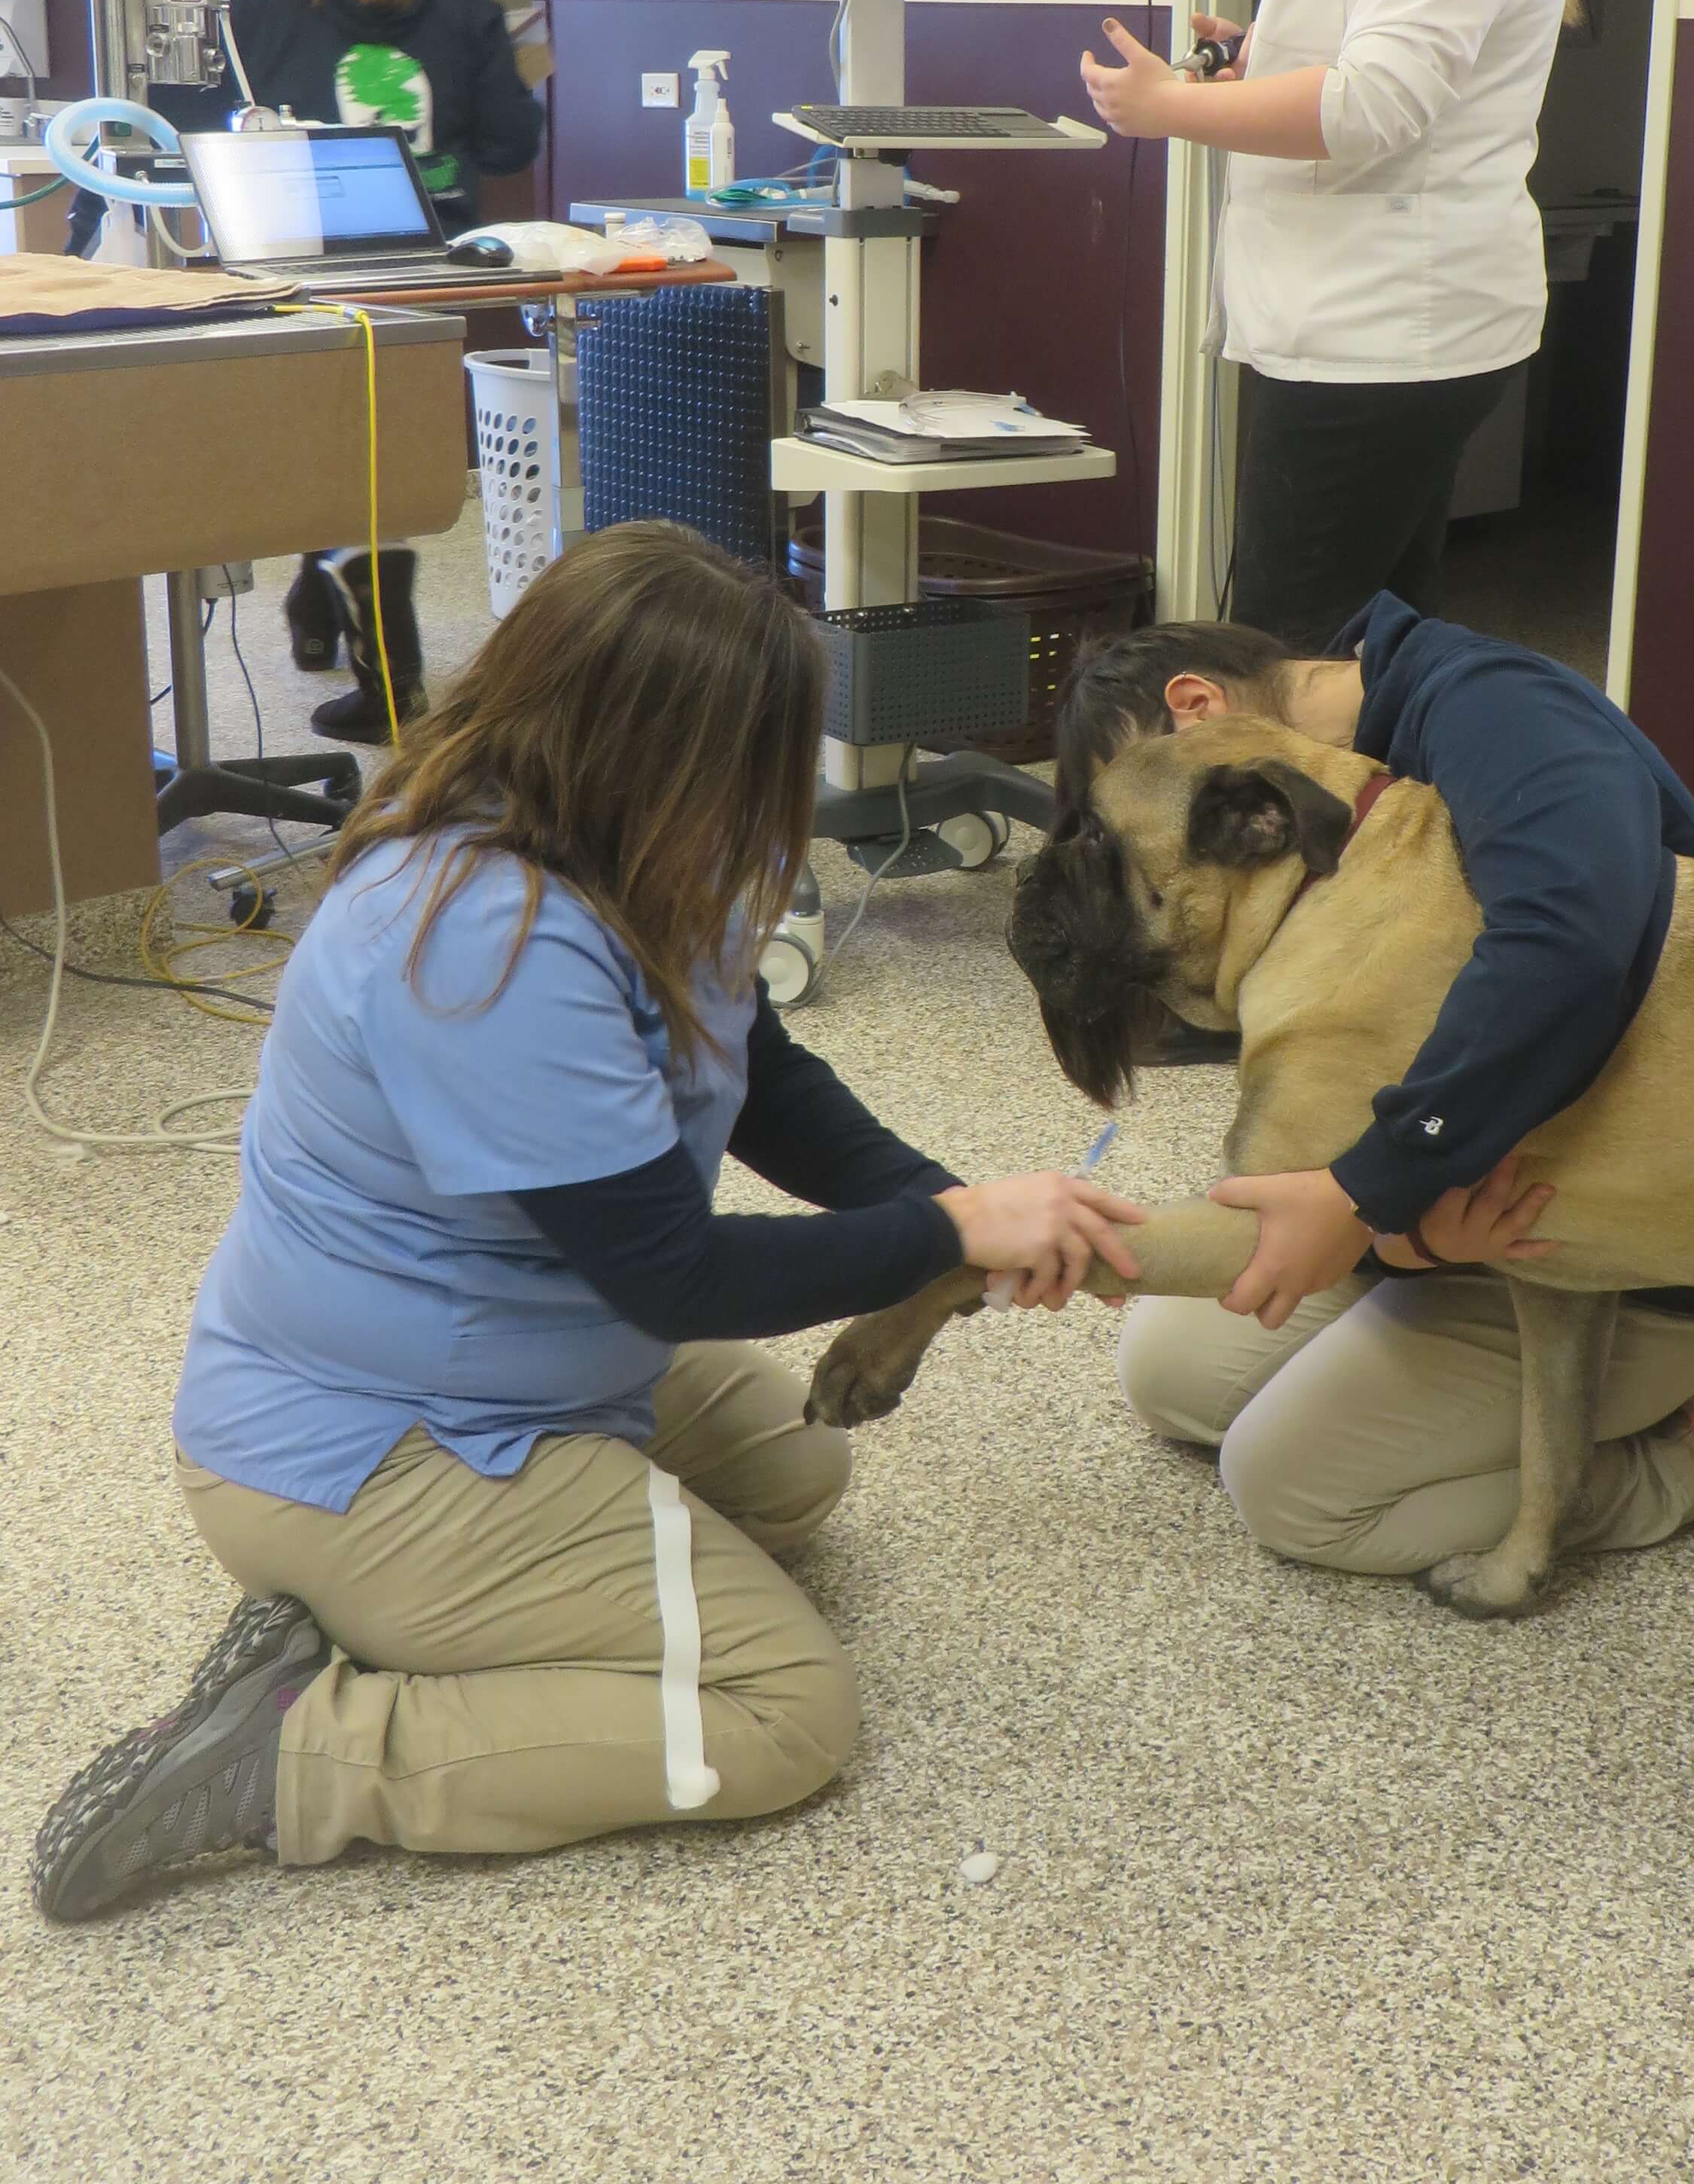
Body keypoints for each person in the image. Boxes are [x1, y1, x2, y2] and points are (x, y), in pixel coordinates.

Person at [29, 523, 1146, 1923]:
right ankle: (297, 1756)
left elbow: (763, 1076)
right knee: (785, 1713)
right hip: (365, 1443)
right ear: (659, 754)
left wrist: (947, 1208)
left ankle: (405, 1615)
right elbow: (673, 1276)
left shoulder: (632, 847)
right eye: (758, 764)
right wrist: (954, 1235)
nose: (775, 805)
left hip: (506, 1365)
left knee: (795, 1469)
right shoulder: (481, 941)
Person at [1047, 596, 1694, 1591]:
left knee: (1293, 1492)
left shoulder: (1495, 710)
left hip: (1638, 1243)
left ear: (1201, 716)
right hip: (1465, 1213)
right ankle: (1474, 1385)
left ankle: (1691, 1457)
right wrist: (1405, 1230)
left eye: (1127, 839)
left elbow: (1570, 941)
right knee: (1169, 1373)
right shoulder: (1338, 792)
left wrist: (1378, 1185)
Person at [1080, 0, 1574, 654]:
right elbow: (1373, 56)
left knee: (1285, 661)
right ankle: (1382, 774)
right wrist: (1260, 58)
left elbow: (1375, 102)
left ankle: (1312, 774)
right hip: (1371, 324)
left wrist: (1173, 106)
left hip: (1378, 334)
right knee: (1374, 647)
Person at [235, 0, 548, 740]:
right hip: (429, 270)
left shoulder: (259, 14)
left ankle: (392, 686)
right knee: (369, 451)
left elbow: (216, 135)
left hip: (300, 265)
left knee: (328, 450)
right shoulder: (464, 6)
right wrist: (448, 150)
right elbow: (510, 144)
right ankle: (316, 604)